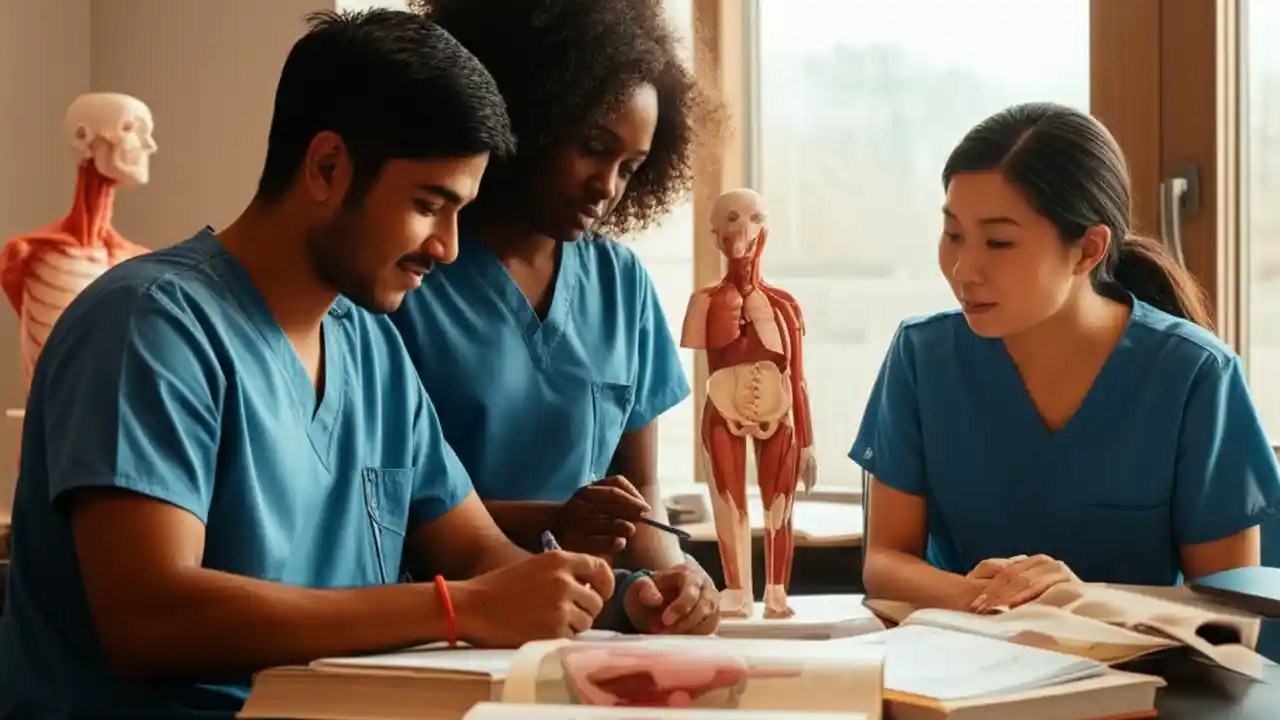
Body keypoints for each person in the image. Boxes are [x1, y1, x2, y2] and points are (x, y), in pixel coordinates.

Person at [0, 11, 711, 719]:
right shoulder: (148, 326)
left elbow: (480, 554)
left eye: (461, 210)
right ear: (328, 167)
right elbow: (150, 618)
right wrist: (453, 609)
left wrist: (627, 598)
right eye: (430, 205)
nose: (448, 247)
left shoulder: (369, 348)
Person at [852, 102, 1280, 614]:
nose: (964, 269)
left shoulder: (1195, 374)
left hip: (1156, 685)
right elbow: (884, 562)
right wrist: (995, 600)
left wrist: (1085, 602)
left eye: (999, 242)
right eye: (953, 235)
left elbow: (1234, 605)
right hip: (963, 670)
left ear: (1088, 250)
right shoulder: (921, 357)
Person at [393, 0, 721, 632]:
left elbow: (638, 497)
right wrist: (555, 520)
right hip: (439, 623)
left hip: (588, 619)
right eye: (593, 149)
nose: (609, 186)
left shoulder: (620, 283)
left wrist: (675, 580)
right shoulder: (408, 275)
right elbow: (394, 503)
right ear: (527, 120)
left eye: (631, 167)